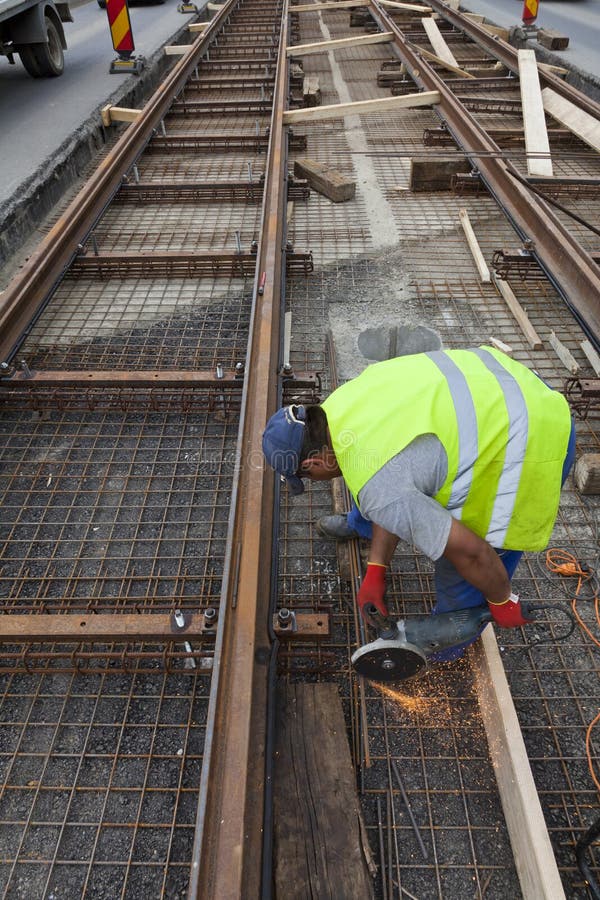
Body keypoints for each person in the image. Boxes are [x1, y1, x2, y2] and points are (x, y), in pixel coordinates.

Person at [262, 346, 576, 659]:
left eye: (306, 479)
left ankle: (440, 653)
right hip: (511, 382)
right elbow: (387, 481)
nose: (314, 483)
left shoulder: (381, 489)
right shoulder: (343, 402)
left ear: (313, 462)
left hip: (536, 438)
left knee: (463, 567)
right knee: (373, 482)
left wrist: (502, 600)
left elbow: (473, 553)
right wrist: (376, 567)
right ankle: (364, 526)